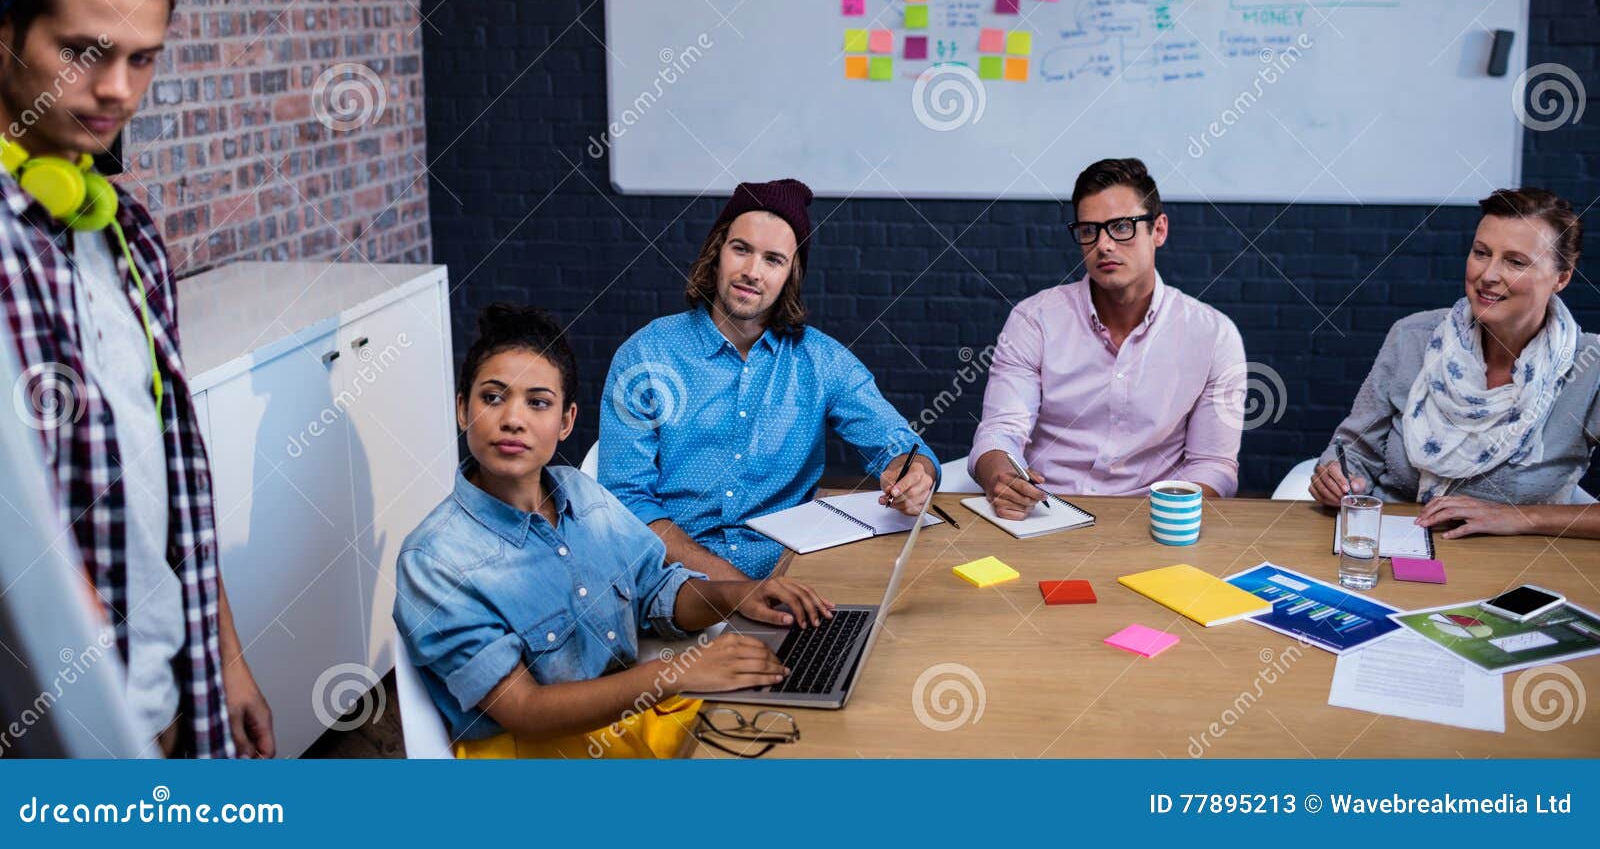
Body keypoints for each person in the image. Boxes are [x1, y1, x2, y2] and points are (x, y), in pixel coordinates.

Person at [0, 0, 273, 757]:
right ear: (6, 35)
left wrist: (226, 657)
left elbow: (171, 471)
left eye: (143, 59)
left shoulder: (130, 235)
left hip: (164, 691)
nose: (117, 89)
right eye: (83, 52)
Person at [394, 304, 834, 757]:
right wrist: (675, 673)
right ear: (463, 410)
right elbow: (525, 710)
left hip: (628, 720)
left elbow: (657, 591)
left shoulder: (582, 494)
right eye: (492, 398)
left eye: (538, 402)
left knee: (800, 726)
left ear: (565, 421)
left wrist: (736, 595)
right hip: (533, 751)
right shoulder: (434, 560)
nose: (513, 419)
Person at [599, 178, 939, 579]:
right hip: (675, 580)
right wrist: (739, 590)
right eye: (741, 249)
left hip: (789, 575)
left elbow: (903, 446)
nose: (752, 272)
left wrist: (913, 474)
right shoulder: (647, 354)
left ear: (791, 274)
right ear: (716, 253)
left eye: (773, 260)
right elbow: (627, 500)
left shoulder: (822, 361)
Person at [1311, 187, 1600, 540]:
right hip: (1394, 542)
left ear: (1561, 278)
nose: (1488, 275)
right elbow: (1354, 450)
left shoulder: (1590, 367)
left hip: (1517, 558)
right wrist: (1338, 476)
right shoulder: (1413, 337)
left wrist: (1520, 517)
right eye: (1481, 253)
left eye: (1515, 262)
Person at [969, 157, 1246, 519]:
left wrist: (1167, 520)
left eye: (1121, 227)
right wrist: (1001, 478)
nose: (1104, 245)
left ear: (1159, 230)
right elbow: (999, 432)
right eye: (1089, 230)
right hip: (1043, 513)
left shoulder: (1213, 335)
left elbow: (1212, 465)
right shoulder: (1034, 320)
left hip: (1152, 520)